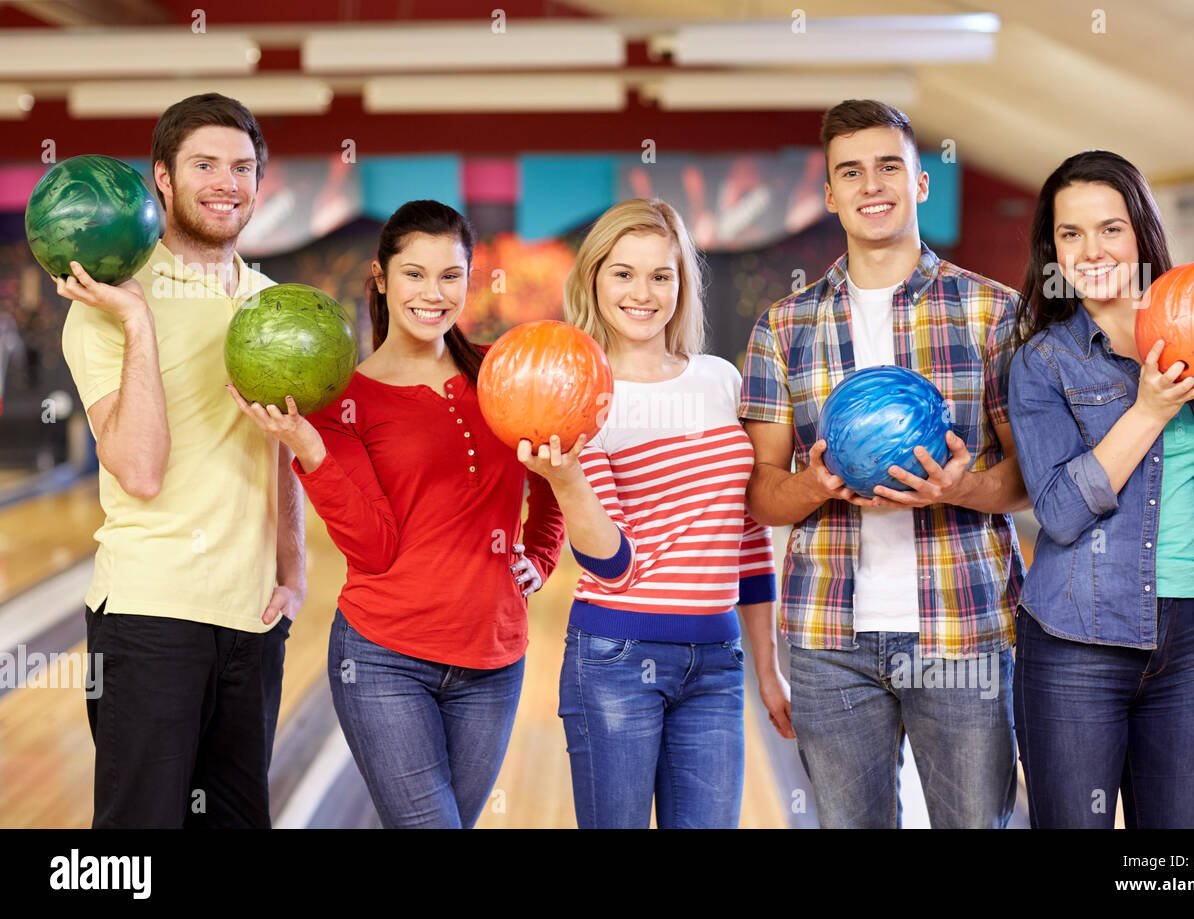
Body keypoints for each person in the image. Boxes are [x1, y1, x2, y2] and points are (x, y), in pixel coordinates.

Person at [739, 99, 1030, 829]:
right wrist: (815, 484)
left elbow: (1030, 479)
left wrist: (963, 487)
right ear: (829, 195)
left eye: (889, 166)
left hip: (964, 627)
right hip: (830, 640)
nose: (872, 184)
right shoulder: (782, 327)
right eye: (851, 171)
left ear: (920, 183)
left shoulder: (994, 313)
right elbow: (762, 495)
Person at [229, 199, 566, 829]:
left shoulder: (504, 373)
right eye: (414, 274)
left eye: (451, 275)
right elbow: (373, 548)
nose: (433, 294)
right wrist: (308, 448)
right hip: (384, 658)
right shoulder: (343, 400)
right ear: (381, 278)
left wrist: (541, 556)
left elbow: (551, 470)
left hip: (495, 656)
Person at [1007, 150, 1194, 829]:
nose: (1091, 249)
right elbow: (1061, 513)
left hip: (1189, 640)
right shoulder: (1045, 361)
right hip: (1077, 643)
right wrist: (1150, 409)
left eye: (1110, 228)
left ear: (1141, 235)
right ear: (1053, 249)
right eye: (1070, 234)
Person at [58, 93, 304, 828]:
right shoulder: (106, 301)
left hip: (253, 618)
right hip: (151, 611)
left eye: (243, 167)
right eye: (206, 164)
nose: (228, 181)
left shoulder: (270, 305)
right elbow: (139, 470)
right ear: (161, 178)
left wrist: (293, 569)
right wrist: (138, 321)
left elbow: (281, 451)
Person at [517, 198, 784, 829]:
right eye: (623, 273)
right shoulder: (581, 393)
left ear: (681, 284)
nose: (643, 293)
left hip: (718, 664)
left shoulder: (720, 380)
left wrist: (769, 670)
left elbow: (747, 538)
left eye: (660, 275)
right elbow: (611, 563)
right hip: (615, 658)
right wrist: (566, 479)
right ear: (593, 280)